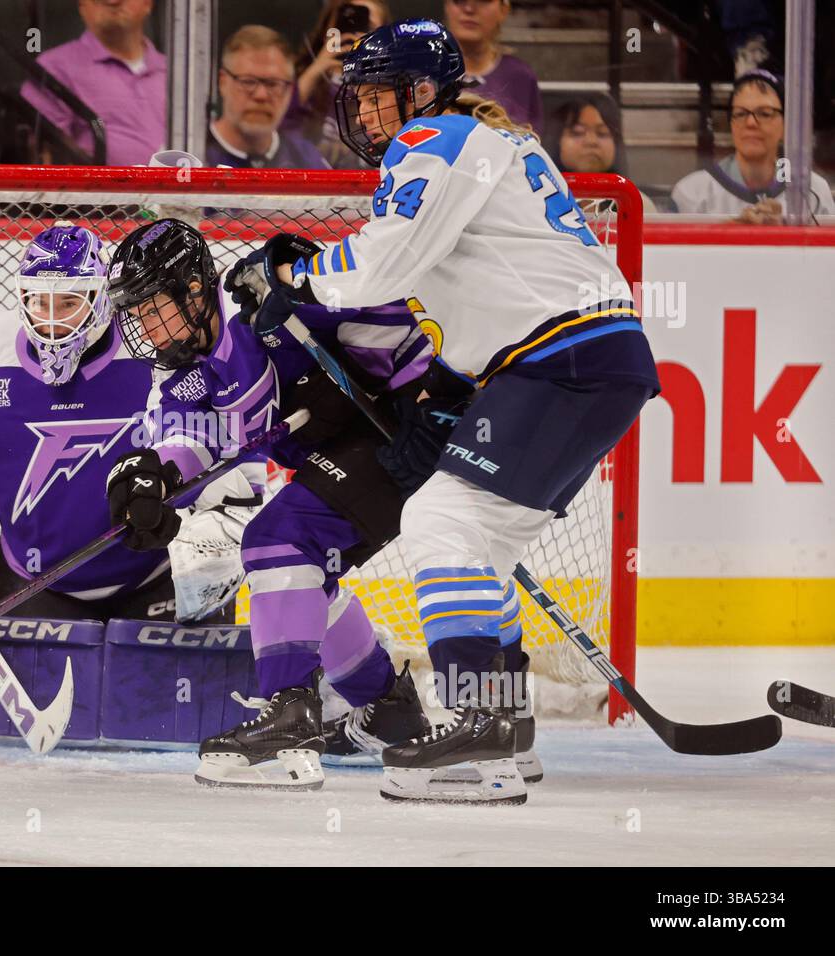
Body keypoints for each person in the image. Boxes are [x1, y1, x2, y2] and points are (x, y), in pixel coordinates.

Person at [243, 18, 660, 803]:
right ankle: (507, 731)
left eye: (376, 98)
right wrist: (446, 395)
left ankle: (476, 729)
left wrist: (301, 277)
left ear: (423, 91)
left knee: (441, 523)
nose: (365, 116)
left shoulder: (438, 137)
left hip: (562, 358)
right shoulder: (489, 146)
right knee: (484, 543)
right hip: (585, 357)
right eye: (357, 101)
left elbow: (379, 263)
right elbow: (488, 288)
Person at [104, 218, 451, 789]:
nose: (144, 326)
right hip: (355, 449)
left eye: (151, 307)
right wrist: (153, 480)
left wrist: (302, 281)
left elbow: (375, 301)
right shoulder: (192, 365)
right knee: (301, 575)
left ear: (193, 291)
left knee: (277, 539)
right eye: (135, 314)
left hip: (404, 430)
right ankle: (387, 706)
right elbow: (186, 435)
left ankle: (290, 710)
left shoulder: (267, 306)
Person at [0, 224, 243, 638]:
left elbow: (214, 440)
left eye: (69, 302)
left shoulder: (156, 344)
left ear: (102, 298)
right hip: (36, 583)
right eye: (40, 302)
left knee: (175, 705)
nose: (52, 320)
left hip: (160, 576)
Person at [671, 71, 834, 223]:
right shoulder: (693, 193)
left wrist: (785, 235)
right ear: (731, 124)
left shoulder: (813, 191)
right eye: (741, 113)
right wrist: (732, 232)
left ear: (786, 126)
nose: (750, 123)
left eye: (765, 113)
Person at [23, 0, 167, 166]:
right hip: (96, 190)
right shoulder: (53, 68)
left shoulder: (180, 74)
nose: (112, 1)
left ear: (148, 3)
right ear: (81, 5)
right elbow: (44, 156)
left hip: (184, 187)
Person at [285, 0, 392, 169]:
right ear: (327, 29)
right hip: (302, 174)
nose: (353, 34)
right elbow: (276, 124)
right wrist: (316, 69)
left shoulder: (390, 86)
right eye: (344, 25)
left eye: (366, 26)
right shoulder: (294, 73)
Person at [206, 27, 328, 170]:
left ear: (290, 90)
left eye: (273, 84)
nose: (261, 95)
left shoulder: (307, 161)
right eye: (248, 81)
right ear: (223, 82)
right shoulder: (191, 152)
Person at [544, 94, 656, 213]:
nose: (591, 141)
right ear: (556, 141)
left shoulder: (638, 205)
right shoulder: (538, 204)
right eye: (578, 132)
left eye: (602, 133)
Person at [444, 0, 541, 133]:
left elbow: (531, 145)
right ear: (446, 6)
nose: (469, 9)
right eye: (459, 0)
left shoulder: (520, 76)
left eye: (484, 1)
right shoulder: (424, 71)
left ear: (504, 9)